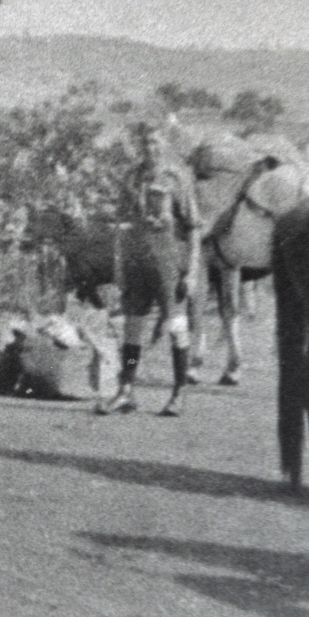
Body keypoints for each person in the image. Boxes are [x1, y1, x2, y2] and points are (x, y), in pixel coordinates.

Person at [98, 117, 201, 417]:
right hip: (137, 263)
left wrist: (192, 271)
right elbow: (121, 225)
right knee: (132, 330)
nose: (150, 148)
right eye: (145, 142)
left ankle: (179, 390)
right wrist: (119, 267)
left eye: (155, 142)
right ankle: (126, 389)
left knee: (176, 327)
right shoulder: (132, 177)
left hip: (168, 262)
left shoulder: (176, 177)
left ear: (164, 144)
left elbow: (194, 227)